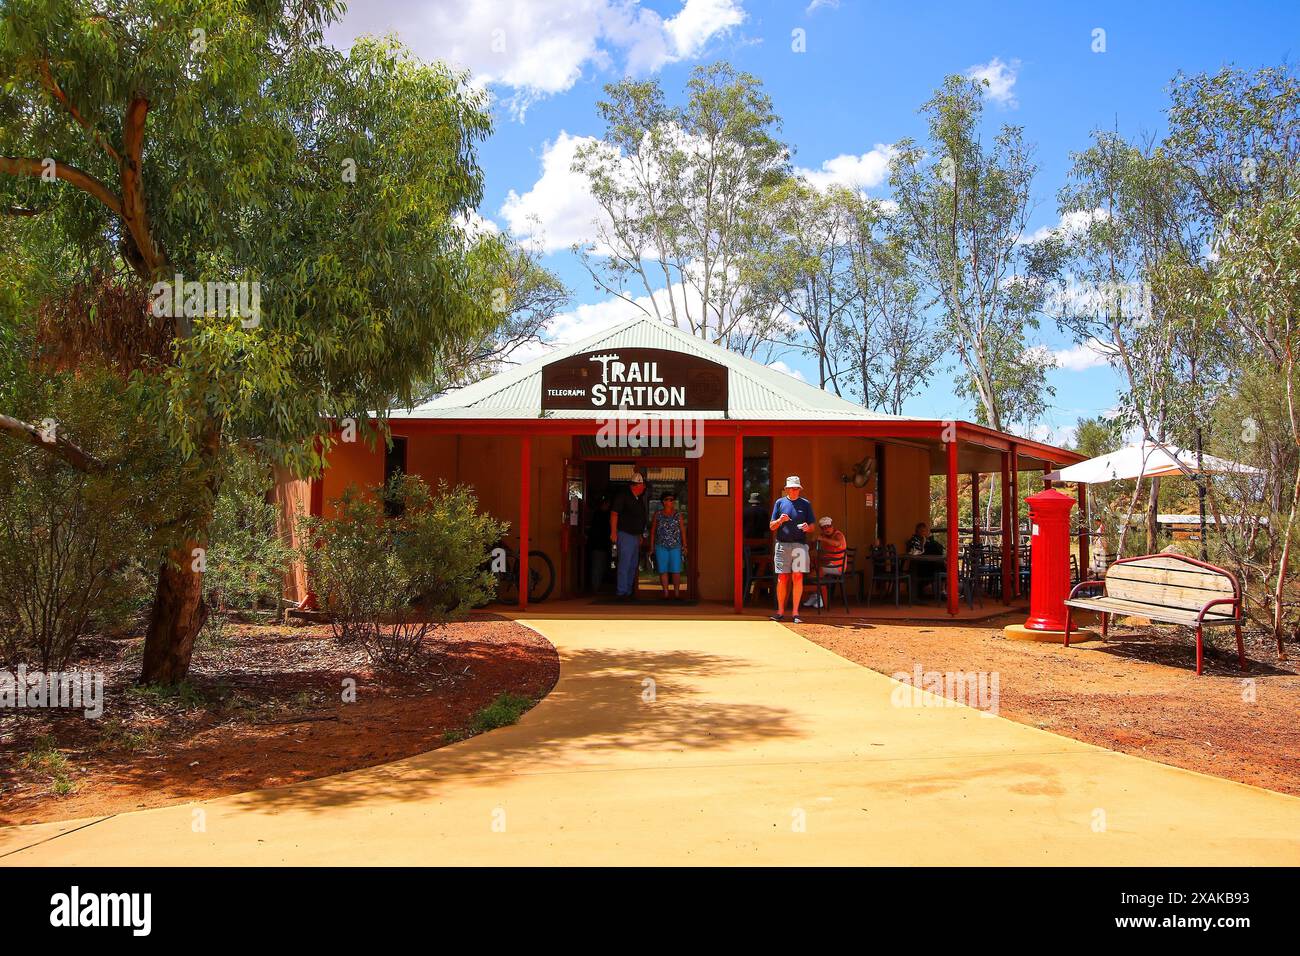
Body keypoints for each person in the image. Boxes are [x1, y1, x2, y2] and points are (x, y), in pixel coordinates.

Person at [769, 475, 816, 623]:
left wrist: (807, 528)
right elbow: (771, 526)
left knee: (797, 577)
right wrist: (779, 520)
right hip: (782, 544)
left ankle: (795, 612)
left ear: (799, 489)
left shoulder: (805, 504)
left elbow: (813, 526)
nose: (794, 490)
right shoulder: (780, 503)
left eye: (797, 488)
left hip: (800, 545)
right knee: (782, 578)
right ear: (787, 489)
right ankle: (780, 611)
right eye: (792, 488)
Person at [610, 472, 648, 601]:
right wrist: (614, 532)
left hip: (636, 536)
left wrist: (641, 534)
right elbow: (614, 514)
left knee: (632, 565)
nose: (644, 487)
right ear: (636, 485)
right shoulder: (623, 496)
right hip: (625, 534)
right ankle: (621, 592)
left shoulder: (639, 499)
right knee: (624, 564)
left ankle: (628, 590)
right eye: (642, 485)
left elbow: (641, 518)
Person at [649, 491, 687, 600]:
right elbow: (653, 531)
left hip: (675, 546)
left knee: (676, 570)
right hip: (661, 545)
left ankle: (676, 594)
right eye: (668, 499)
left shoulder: (678, 515)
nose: (671, 501)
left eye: (672, 500)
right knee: (663, 570)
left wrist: (685, 545)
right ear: (663, 502)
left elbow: (682, 531)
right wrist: (651, 547)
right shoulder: (658, 514)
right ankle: (665, 593)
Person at [804, 515, 847, 609]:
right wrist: (812, 541)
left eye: (829, 526)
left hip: (838, 567)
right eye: (824, 528)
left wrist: (823, 539)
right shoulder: (822, 536)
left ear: (832, 526)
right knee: (809, 569)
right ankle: (815, 595)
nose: (827, 529)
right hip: (827, 564)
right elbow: (812, 547)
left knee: (817, 572)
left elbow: (837, 543)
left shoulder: (838, 535)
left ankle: (820, 597)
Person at [586, 495, 612, 593]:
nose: (608, 506)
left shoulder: (599, 515)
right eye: (607, 505)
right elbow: (600, 531)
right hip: (599, 545)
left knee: (599, 566)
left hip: (600, 545)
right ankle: (595, 587)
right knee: (597, 566)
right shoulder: (601, 516)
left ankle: (596, 586)